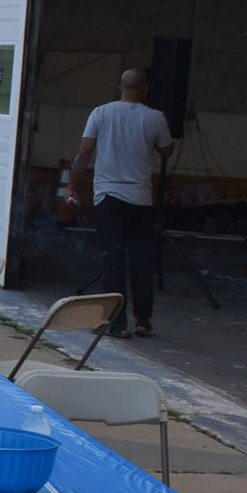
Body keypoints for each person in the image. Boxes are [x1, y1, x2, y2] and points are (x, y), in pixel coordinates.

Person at [72, 68, 175, 338]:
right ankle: (143, 320)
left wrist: (72, 186)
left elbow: (84, 152)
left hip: (108, 197)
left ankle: (116, 324)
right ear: (145, 89)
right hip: (141, 198)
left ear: (120, 86)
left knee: (112, 259)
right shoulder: (155, 117)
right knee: (142, 260)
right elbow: (166, 151)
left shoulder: (100, 113)